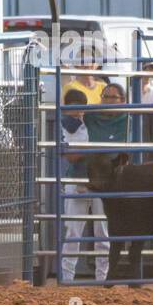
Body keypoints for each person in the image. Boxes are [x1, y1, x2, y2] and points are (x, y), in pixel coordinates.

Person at [59, 88, 110, 283]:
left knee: (101, 231)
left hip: (95, 180)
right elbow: (71, 155)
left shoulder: (89, 121)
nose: (77, 112)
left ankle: (102, 279)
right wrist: (92, 150)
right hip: (79, 179)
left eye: (80, 108)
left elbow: (76, 152)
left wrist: (87, 150)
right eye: (73, 108)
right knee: (73, 231)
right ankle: (67, 278)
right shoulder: (64, 125)